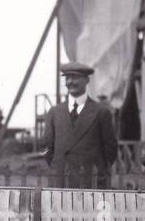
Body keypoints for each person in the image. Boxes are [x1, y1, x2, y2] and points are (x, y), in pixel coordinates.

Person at [42, 61, 117, 189]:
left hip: (90, 183)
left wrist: (97, 172)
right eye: (67, 78)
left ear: (86, 80)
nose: (70, 82)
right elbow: (47, 148)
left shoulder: (101, 112)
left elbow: (110, 150)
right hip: (61, 182)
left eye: (75, 77)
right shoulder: (54, 112)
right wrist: (59, 168)